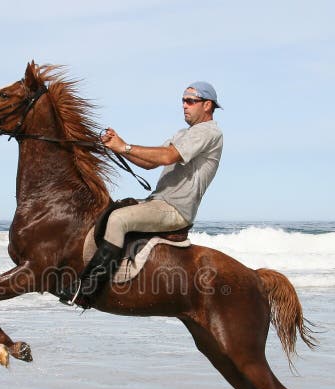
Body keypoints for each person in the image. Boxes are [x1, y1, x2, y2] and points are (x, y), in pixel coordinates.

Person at [59, 81, 224, 307]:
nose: (184, 105)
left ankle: (87, 289)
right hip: (158, 202)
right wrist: (118, 147)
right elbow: (149, 163)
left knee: (118, 220)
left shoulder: (208, 132)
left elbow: (167, 157)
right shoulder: (184, 133)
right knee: (109, 210)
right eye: (183, 101)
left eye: (190, 101)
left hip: (175, 209)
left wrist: (124, 147)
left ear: (207, 105)